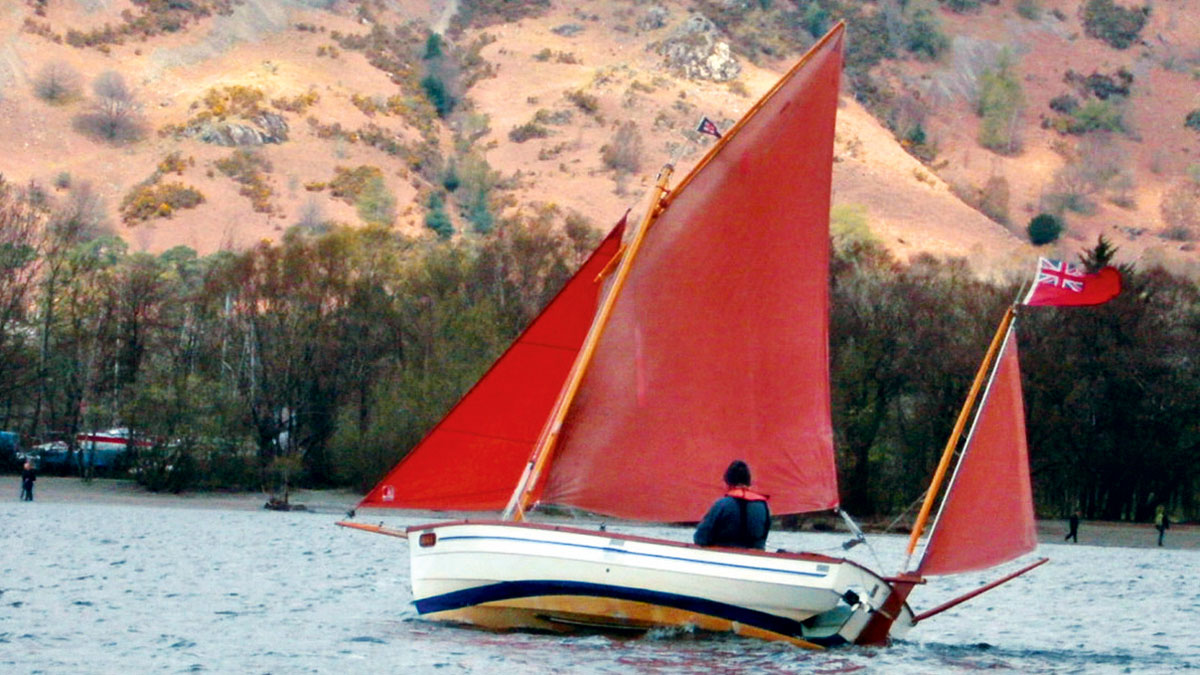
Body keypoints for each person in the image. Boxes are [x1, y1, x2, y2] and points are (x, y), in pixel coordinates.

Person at [694, 460, 770, 549]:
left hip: (722, 554)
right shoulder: (763, 506)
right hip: (754, 557)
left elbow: (700, 538)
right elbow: (763, 536)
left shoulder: (721, 505)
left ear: (728, 483)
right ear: (749, 482)